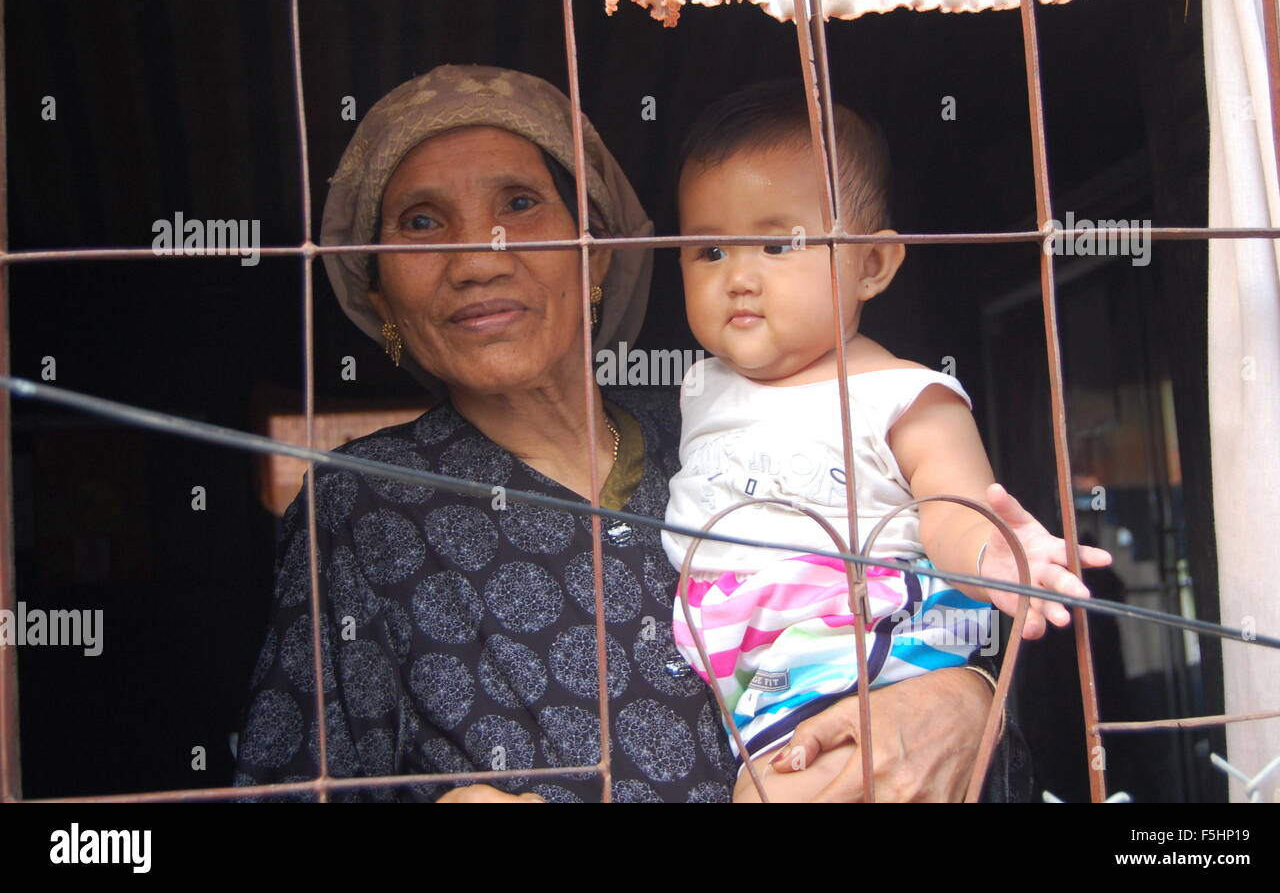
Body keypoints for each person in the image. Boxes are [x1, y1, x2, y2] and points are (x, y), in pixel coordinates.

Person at [234, 64, 1024, 802]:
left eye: (518, 203)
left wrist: (964, 701)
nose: (480, 257)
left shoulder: (726, 428)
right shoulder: (362, 506)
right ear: (380, 295)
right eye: (420, 221)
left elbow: (947, 632)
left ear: (600, 250)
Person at [663, 81, 1112, 802]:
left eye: (779, 243)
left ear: (871, 265)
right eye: (708, 250)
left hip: (859, 644)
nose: (738, 277)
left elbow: (955, 507)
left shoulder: (904, 395)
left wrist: (994, 555)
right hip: (752, 667)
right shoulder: (700, 386)